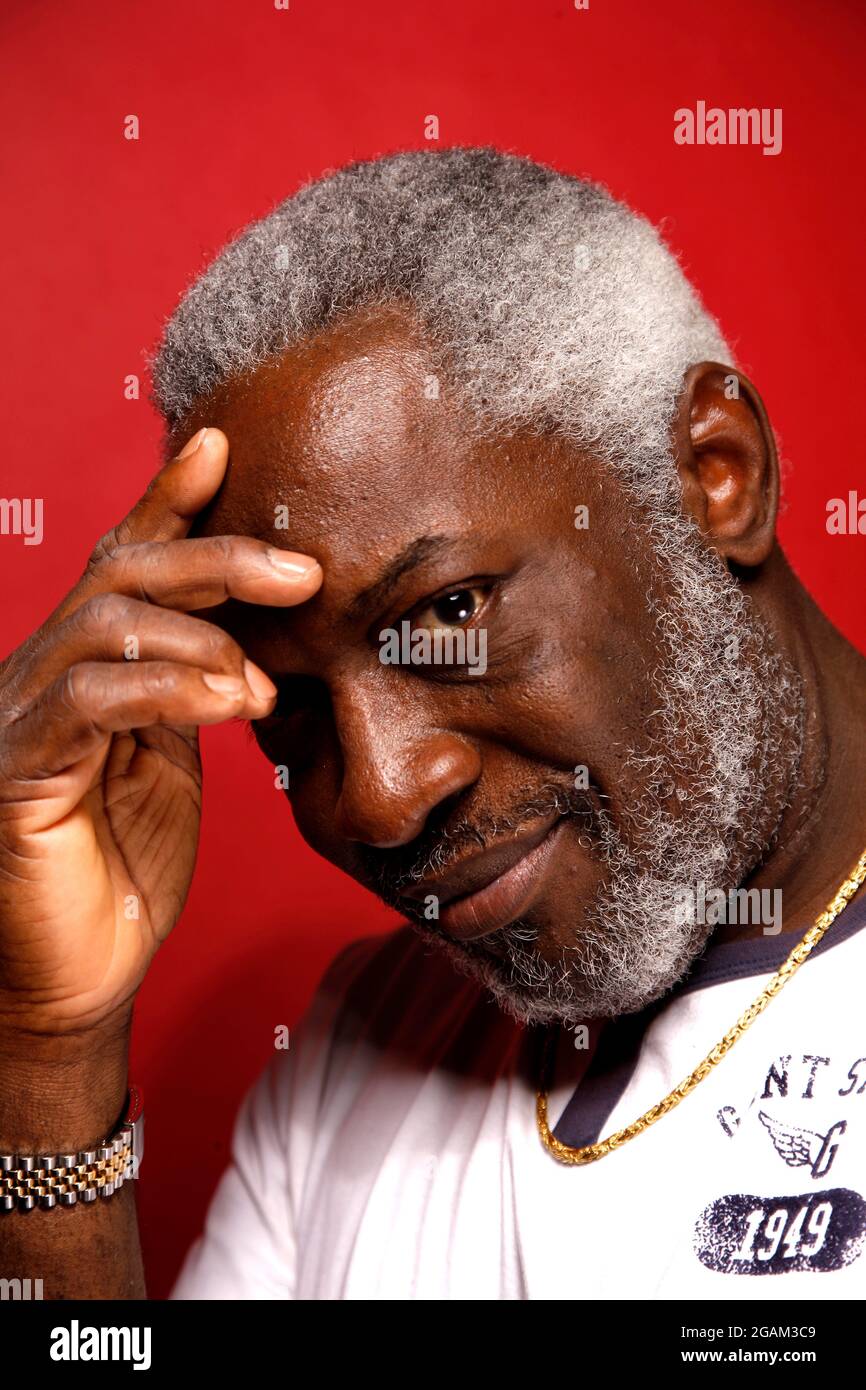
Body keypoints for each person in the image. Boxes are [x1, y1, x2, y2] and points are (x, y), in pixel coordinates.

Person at [1, 148, 865, 1300]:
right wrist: (49, 1059)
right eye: (291, 708)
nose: (380, 793)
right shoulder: (355, 1044)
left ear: (715, 473)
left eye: (447, 613)